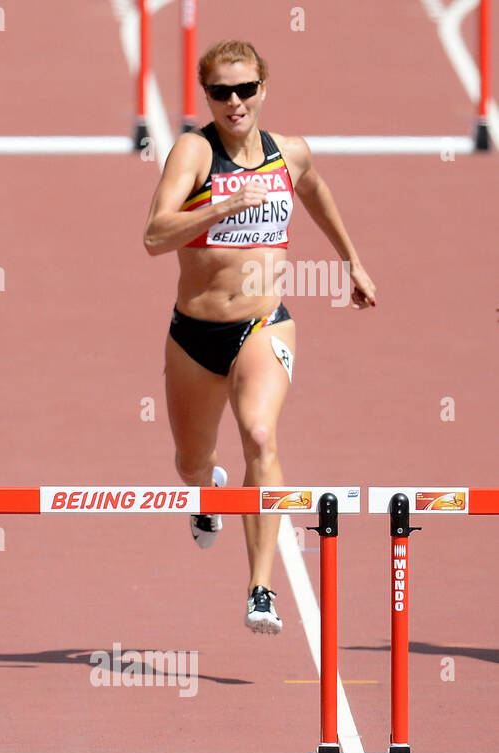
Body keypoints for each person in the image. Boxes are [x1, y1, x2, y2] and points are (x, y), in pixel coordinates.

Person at [142, 40, 375, 635]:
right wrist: (219, 208)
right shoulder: (195, 152)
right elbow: (154, 235)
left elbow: (317, 194)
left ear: (263, 90)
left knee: (261, 434)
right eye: (221, 91)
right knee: (190, 463)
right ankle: (207, 490)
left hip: (263, 323)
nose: (235, 101)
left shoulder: (288, 154)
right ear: (208, 97)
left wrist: (351, 261)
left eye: (245, 89)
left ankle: (261, 588)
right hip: (194, 331)